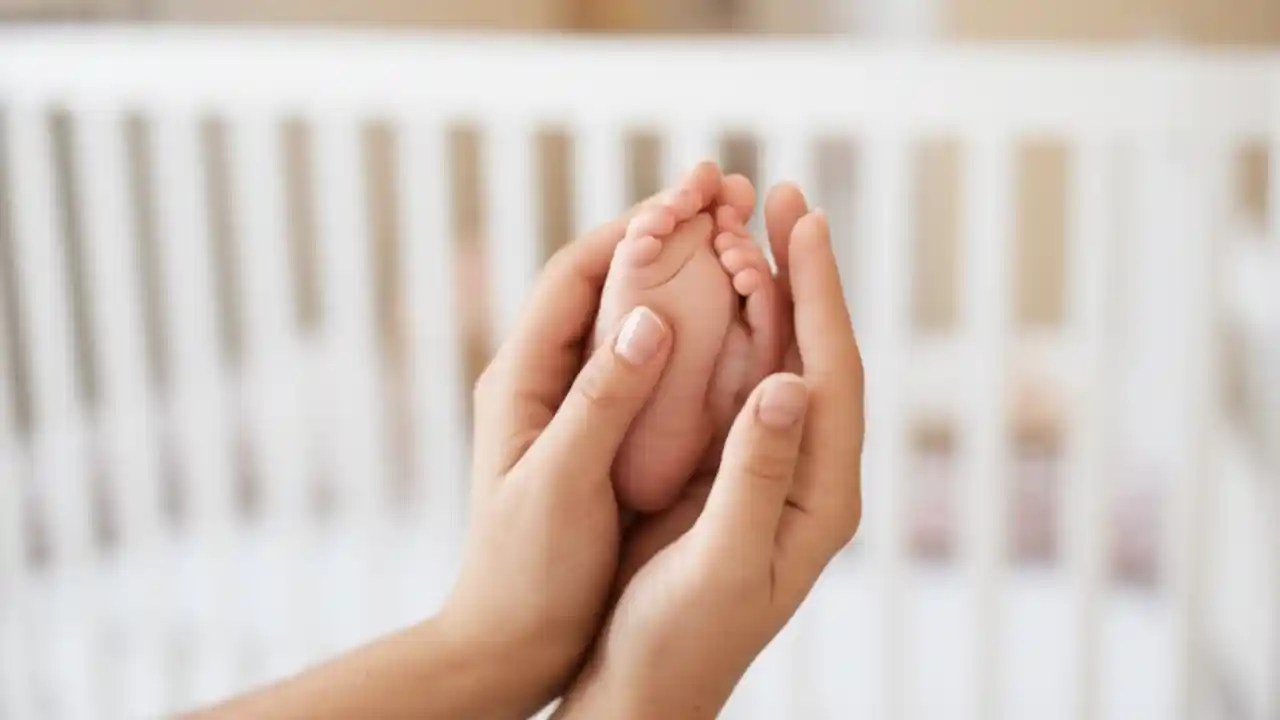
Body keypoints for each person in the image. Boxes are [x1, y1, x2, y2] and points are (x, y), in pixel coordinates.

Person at [189, 168, 864, 719]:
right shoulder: (341, 376)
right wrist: (639, 694)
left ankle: (654, 410)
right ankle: (661, 411)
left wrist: (503, 640)